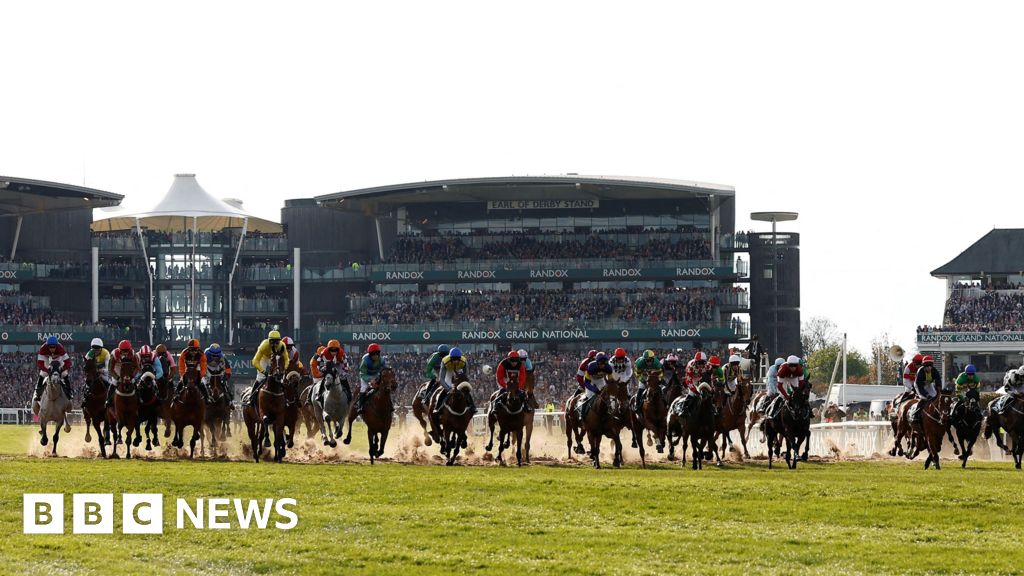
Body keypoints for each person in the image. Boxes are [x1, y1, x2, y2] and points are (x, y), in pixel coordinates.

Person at [246, 330, 290, 408]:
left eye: (277, 343)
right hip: (264, 358)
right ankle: (251, 398)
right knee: (260, 378)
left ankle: (286, 399)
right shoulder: (264, 345)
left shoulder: (282, 345)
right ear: (269, 341)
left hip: (275, 359)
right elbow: (255, 361)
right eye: (272, 342)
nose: (275, 345)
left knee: (281, 379)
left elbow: (286, 359)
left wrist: (284, 369)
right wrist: (263, 371)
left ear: (279, 342)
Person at [434, 347, 472, 415]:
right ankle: (437, 408)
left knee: (466, 391)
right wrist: (448, 389)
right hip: (448, 371)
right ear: (451, 358)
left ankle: (473, 407)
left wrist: (464, 385)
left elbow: (466, 376)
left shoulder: (464, 361)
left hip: (459, 371)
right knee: (444, 390)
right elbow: (441, 379)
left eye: (458, 359)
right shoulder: (445, 361)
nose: (456, 361)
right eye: (454, 359)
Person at [33, 335, 71, 403]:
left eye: (54, 347)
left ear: (57, 346)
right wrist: (47, 370)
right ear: (47, 346)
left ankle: (69, 392)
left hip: (58, 358)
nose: (52, 349)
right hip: (47, 358)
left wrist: (62, 369)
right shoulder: (43, 348)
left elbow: (68, 362)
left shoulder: (60, 348)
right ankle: (37, 393)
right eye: (50, 347)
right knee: (43, 373)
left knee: (64, 373)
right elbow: (40, 363)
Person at [312, 339, 351, 405]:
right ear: (328, 349)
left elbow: (346, 367)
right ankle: (319, 395)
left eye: (336, 350)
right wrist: (322, 372)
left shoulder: (342, 354)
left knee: (344, 379)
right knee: (325, 378)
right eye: (331, 350)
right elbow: (319, 365)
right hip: (327, 366)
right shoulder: (323, 354)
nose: (334, 352)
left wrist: (342, 374)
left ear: (338, 350)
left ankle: (349, 395)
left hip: (339, 365)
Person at [578, 352, 613, 418]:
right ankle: (582, 416)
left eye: (604, 363)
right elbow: (586, 382)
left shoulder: (609, 368)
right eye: (601, 363)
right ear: (597, 362)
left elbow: (610, 381)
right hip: (590, 381)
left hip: (600, 380)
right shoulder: (590, 367)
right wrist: (595, 390)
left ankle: (610, 412)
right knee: (588, 396)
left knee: (607, 396)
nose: (602, 365)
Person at [177, 339, 212, 404]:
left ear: (198, 349)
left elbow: (203, 367)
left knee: (203, 382)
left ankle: (207, 397)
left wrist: (200, 376)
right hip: (187, 368)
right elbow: (181, 365)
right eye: (191, 350)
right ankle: (176, 395)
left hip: (197, 368)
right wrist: (182, 375)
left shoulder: (201, 354)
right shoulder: (184, 353)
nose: (193, 352)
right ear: (188, 349)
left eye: (195, 350)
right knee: (181, 381)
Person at [356, 342, 387, 415]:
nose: (375, 356)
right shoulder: (365, 360)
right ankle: (360, 407)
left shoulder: (381, 360)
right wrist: (370, 380)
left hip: (375, 375)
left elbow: (384, 369)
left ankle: (390, 406)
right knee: (363, 388)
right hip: (365, 376)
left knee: (384, 388)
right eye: (373, 354)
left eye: (377, 354)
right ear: (370, 355)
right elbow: (362, 373)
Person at [909, 355, 942, 424]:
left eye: (930, 366)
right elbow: (920, 388)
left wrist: (939, 391)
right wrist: (926, 395)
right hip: (919, 386)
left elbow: (938, 382)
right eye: (927, 366)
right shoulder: (920, 372)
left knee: (935, 396)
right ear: (924, 366)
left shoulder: (934, 370)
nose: (929, 368)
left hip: (928, 384)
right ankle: (915, 415)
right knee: (924, 398)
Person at [107, 340, 140, 407]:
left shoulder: (133, 354)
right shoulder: (114, 355)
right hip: (117, 369)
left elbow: (137, 367)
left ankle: (139, 399)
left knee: (134, 383)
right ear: (119, 349)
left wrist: (132, 376)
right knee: (114, 383)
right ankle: (108, 400)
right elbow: (110, 369)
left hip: (128, 370)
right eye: (123, 351)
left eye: (127, 350)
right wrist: (117, 378)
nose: (125, 353)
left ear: (130, 349)